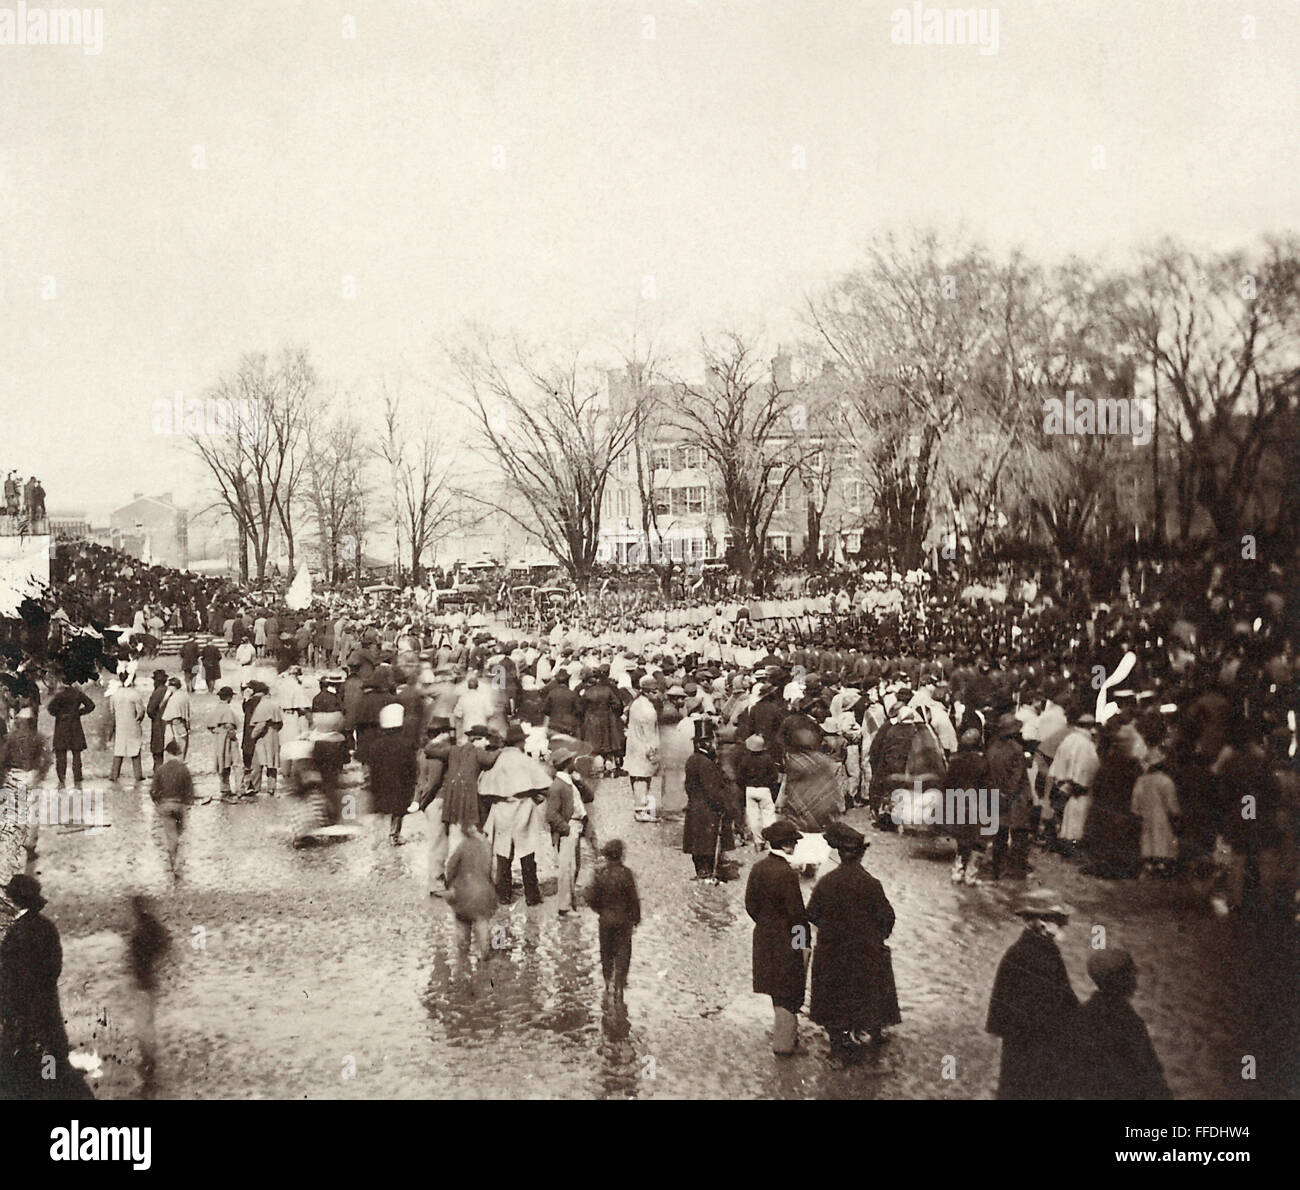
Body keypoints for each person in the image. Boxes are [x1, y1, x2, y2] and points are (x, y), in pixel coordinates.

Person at [805, 821, 901, 1061]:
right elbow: (887, 918)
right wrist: (877, 936)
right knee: (869, 994)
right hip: (865, 953)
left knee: (834, 999)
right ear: (861, 854)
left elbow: (811, 915)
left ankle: (838, 1044)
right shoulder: (871, 884)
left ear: (838, 853)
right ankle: (872, 1039)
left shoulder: (826, 883)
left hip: (832, 953)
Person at [0, 874, 92, 1099]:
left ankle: (46, 1087)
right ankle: (49, 1083)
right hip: (44, 1001)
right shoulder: (45, 926)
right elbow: (54, 965)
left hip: (23, 1004)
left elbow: (9, 970)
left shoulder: (20, 930)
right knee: (48, 1045)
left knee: (34, 1049)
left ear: (15, 901)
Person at [985, 888, 1079, 1099]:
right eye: (1060, 921)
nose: (1065, 926)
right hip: (1034, 1046)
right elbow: (1055, 1003)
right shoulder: (1036, 957)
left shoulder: (1027, 950)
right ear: (1042, 923)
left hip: (1021, 1044)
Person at [744, 818, 810, 1056]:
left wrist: (765, 924)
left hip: (763, 938)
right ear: (788, 845)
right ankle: (785, 1044)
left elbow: (750, 904)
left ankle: (784, 1036)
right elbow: (797, 916)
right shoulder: (787, 874)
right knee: (790, 993)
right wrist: (803, 946)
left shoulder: (758, 868)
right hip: (787, 942)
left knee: (774, 989)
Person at [1071, 947, 1171, 1099]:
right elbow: (1151, 1074)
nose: (1135, 979)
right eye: (1131, 974)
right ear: (1122, 980)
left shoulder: (1081, 1015)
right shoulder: (1129, 1022)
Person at [585, 838, 641, 1000]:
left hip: (606, 920)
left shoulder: (601, 874)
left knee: (606, 952)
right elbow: (633, 899)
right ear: (621, 855)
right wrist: (636, 918)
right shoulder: (627, 874)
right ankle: (620, 985)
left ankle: (607, 981)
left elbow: (591, 897)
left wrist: (600, 911)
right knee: (623, 951)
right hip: (624, 921)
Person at [682, 718, 736, 879]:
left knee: (698, 844)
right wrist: (724, 807)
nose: (713, 744)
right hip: (708, 810)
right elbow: (712, 791)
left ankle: (702, 871)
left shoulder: (692, 760)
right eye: (710, 741)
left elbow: (688, 786)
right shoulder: (706, 763)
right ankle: (707, 873)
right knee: (708, 844)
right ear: (703, 743)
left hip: (695, 807)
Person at [127, 894, 169, 1098]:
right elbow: (166, 944)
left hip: (143, 984)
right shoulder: (153, 927)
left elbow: (135, 959)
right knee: (147, 1025)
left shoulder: (140, 931)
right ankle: (149, 1063)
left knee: (143, 1027)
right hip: (150, 983)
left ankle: (148, 1065)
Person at [1, 707, 50, 872]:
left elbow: (3, 760)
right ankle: (30, 845)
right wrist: (40, 774)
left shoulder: (11, 739)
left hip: (14, 776)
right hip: (32, 776)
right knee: (33, 813)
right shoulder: (38, 737)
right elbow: (47, 759)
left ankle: (14, 845)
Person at [546, 737, 591, 913]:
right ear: (567, 763)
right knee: (567, 868)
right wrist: (567, 829)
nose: (574, 762)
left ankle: (569, 901)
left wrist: (579, 781)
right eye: (572, 760)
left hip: (576, 827)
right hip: (568, 829)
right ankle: (564, 907)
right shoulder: (558, 786)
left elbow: (589, 797)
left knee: (575, 866)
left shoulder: (569, 781)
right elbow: (550, 815)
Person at [445, 823, 496, 960]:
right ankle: (484, 955)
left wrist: (449, 885)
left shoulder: (463, 845)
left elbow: (450, 868)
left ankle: (464, 956)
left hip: (463, 893)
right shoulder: (488, 846)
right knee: (482, 923)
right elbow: (494, 872)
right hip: (484, 894)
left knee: (462, 924)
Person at [367, 702, 416, 844]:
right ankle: (394, 834)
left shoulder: (376, 745)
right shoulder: (406, 744)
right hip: (400, 782)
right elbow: (411, 767)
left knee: (381, 809)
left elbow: (372, 768)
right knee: (398, 810)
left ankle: (377, 835)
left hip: (381, 781)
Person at [151, 740, 194, 880]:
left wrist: (157, 803)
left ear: (167, 753)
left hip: (165, 805)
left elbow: (153, 791)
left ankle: (172, 861)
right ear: (178, 753)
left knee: (170, 834)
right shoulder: (184, 769)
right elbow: (190, 791)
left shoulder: (160, 769)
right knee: (179, 833)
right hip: (179, 805)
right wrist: (188, 805)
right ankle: (178, 862)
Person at [45, 678, 95, 789]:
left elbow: (50, 709)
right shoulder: (78, 693)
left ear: (62, 682)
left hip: (61, 726)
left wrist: (59, 715)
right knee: (76, 753)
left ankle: (61, 779)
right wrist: (78, 713)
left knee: (61, 754)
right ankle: (77, 778)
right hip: (75, 725)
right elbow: (91, 705)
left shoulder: (59, 695)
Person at [624, 675, 660, 821]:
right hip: (644, 746)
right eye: (653, 691)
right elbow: (650, 734)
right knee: (642, 778)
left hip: (634, 744)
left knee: (637, 777)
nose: (656, 694)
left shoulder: (636, 703)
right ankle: (640, 810)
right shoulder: (647, 710)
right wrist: (653, 750)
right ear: (646, 692)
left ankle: (640, 807)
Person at [737, 733, 780, 850]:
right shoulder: (768, 759)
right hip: (764, 789)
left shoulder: (746, 759)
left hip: (750, 790)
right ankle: (771, 841)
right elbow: (774, 776)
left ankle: (758, 842)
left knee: (753, 817)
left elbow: (739, 777)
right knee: (768, 816)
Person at [245, 681, 282, 798]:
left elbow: (261, 724)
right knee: (272, 763)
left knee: (257, 763)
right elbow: (280, 723)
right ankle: (271, 788)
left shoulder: (262, 705)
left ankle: (256, 787)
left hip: (263, 737)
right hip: (274, 735)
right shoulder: (274, 704)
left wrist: (252, 735)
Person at [106, 678, 146, 783]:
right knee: (135, 751)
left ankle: (114, 775)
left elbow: (112, 713)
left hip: (120, 725)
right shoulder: (135, 694)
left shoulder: (114, 695)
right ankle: (138, 775)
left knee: (119, 750)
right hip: (132, 725)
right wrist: (138, 720)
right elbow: (140, 712)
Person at [209, 686, 241, 800]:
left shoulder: (216, 709)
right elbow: (230, 725)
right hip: (227, 738)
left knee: (221, 762)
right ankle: (239, 789)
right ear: (228, 697)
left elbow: (210, 726)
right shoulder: (227, 709)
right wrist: (233, 736)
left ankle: (224, 789)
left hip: (218, 738)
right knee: (237, 763)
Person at [145, 669, 170, 773]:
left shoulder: (157, 691)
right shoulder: (168, 690)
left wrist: (154, 717)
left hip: (158, 722)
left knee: (157, 749)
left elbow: (150, 710)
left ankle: (158, 772)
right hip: (167, 722)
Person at [162, 676, 191, 760]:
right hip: (183, 722)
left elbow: (171, 716)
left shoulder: (173, 698)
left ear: (172, 687)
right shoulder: (184, 695)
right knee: (183, 746)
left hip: (175, 723)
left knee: (175, 747)